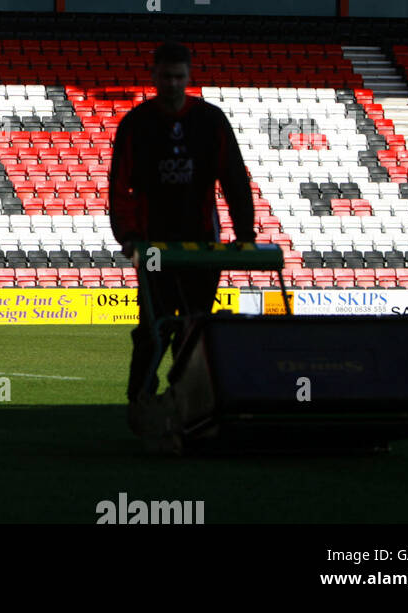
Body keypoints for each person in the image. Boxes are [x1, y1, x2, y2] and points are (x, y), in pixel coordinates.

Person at [107, 42, 256, 430]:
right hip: (154, 245)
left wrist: (245, 233)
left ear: (189, 77)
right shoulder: (136, 124)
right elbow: (119, 186)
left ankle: (189, 402)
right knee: (152, 327)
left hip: (201, 244)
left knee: (194, 325)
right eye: (166, 76)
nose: (172, 83)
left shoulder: (210, 120)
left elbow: (235, 178)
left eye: (179, 77)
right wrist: (128, 236)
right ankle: (139, 401)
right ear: (153, 75)